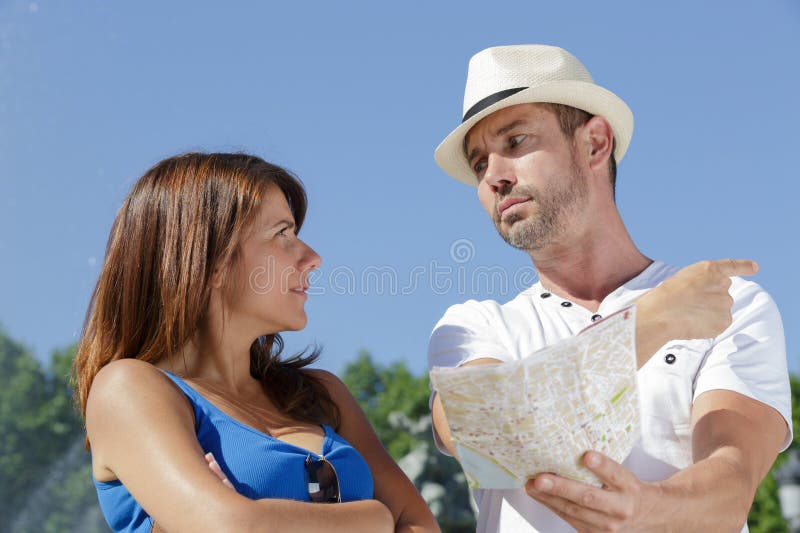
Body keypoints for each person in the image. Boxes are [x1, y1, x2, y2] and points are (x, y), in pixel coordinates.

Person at [427, 45, 791, 533]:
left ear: (596, 143)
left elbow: (732, 487)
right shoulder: (475, 326)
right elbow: (483, 435)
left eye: (515, 141)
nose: (493, 177)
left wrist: (649, 510)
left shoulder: (732, 303)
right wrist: (651, 321)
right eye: (478, 165)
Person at [73, 153, 440, 533]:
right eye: (282, 234)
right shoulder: (126, 389)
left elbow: (419, 523)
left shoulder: (322, 395)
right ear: (210, 261)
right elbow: (231, 526)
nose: (313, 258)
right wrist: (375, 517)